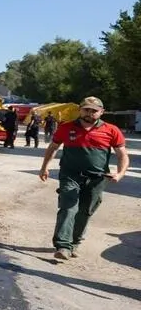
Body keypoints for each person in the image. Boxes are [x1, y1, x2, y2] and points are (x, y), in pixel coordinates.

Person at [38, 96, 129, 260]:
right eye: (86, 109)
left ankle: (74, 242)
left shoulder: (111, 130)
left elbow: (122, 154)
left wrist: (120, 173)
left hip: (97, 178)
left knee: (85, 211)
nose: (89, 113)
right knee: (68, 206)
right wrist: (44, 167)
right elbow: (53, 147)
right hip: (70, 175)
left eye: (94, 111)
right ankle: (63, 245)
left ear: (102, 112)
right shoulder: (66, 127)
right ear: (80, 109)